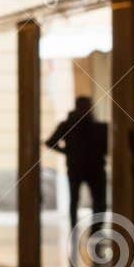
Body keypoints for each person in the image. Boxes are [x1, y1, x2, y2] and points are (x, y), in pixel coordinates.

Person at [45, 94, 108, 234]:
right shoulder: (69, 125)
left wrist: (68, 152)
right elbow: (50, 142)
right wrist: (68, 151)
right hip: (82, 167)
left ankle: (94, 228)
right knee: (80, 200)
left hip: (89, 167)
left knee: (94, 200)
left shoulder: (94, 126)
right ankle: (80, 227)